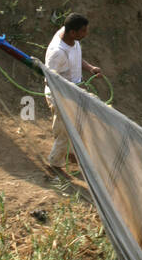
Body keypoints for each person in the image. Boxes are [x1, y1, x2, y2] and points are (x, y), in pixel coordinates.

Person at [43, 12, 101, 167]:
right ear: (72, 32)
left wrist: (90, 68)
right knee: (64, 132)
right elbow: (49, 80)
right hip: (60, 96)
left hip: (73, 92)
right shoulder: (57, 53)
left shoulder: (70, 38)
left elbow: (76, 56)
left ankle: (71, 153)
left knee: (75, 125)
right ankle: (55, 163)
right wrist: (72, 88)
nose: (86, 33)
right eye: (83, 31)